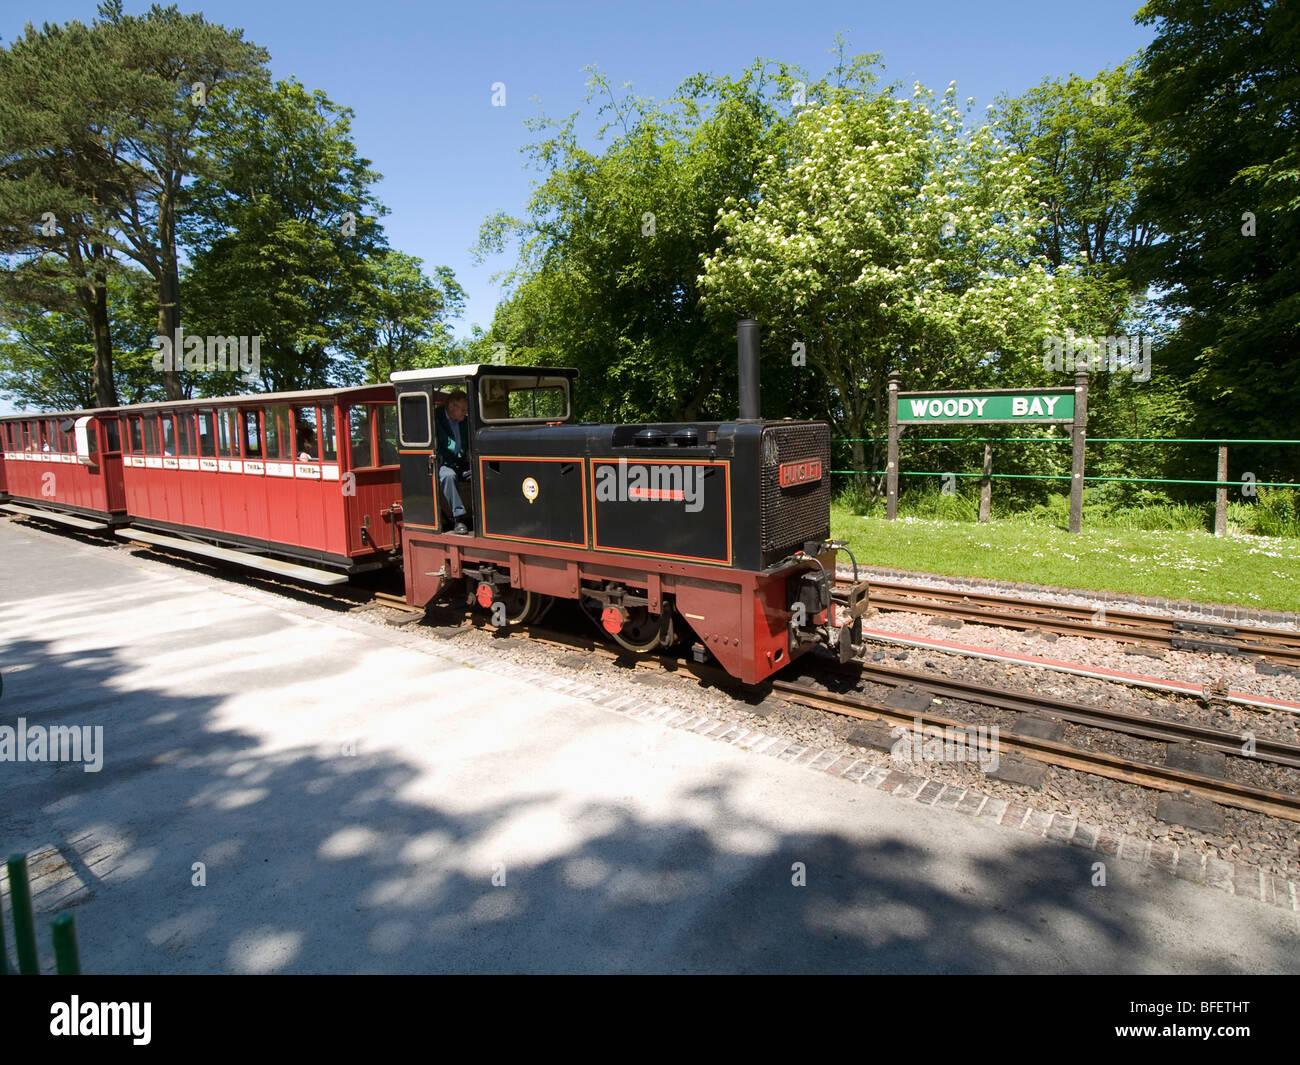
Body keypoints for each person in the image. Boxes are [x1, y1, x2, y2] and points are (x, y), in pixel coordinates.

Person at [435, 390, 472, 534]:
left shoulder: (464, 421)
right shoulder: (436, 418)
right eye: (463, 410)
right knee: (448, 477)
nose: (465, 414)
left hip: (462, 462)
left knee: (483, 472)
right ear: (451, 406)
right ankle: (458, 519)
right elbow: (445, 442)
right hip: (444, 462)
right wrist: (463, 452)